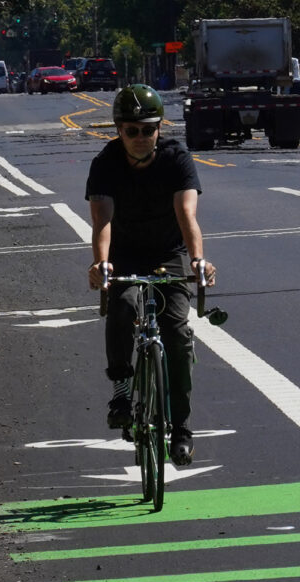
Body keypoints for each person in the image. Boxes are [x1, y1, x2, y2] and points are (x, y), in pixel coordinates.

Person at [85, 85, 215, 466]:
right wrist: (102, 264)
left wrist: (197, 261)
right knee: (123, 306)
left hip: (168, 252)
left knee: (176, 330)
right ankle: (122, 391)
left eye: (148, 129)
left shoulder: (177, 159)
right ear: (118, 130)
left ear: (159, 128)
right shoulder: (105, 163)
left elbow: (186, 215)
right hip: (123, 252)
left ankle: (182, 430)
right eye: (131, 130)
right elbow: (102, 220)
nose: (140, 138)